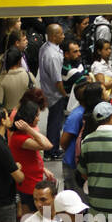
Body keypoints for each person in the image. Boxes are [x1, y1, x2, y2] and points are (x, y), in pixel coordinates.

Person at [8, 99, 52, 216]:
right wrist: (29, 129)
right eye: (36, 116)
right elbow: (47, 145)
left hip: (33, 180)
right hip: (28, 185)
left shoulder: (25, 134)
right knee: (31, 218)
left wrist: (42, 168)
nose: (38, 119)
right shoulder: (20, 138)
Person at [60, 81, 104, 199]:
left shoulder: (91, 112)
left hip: (81, 165)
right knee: (76, 201)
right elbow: (63, 142)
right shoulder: (77, 115)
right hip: (73, 166)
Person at [36, 23, 66, 159]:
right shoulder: (52, 55)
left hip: (47, 90)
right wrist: (64, 94)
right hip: (54, 93)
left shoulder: (44, 47)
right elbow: (57, 80)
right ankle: (52, 150)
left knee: (53, 120)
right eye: (61, 34)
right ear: (54, 36)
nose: (63, 36)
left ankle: (51, 148)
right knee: (55, 121)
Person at [0, 42, 36, 116]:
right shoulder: (28, 75)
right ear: (20, 61)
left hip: (9, 115)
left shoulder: (1, 79)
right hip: (26, 114)